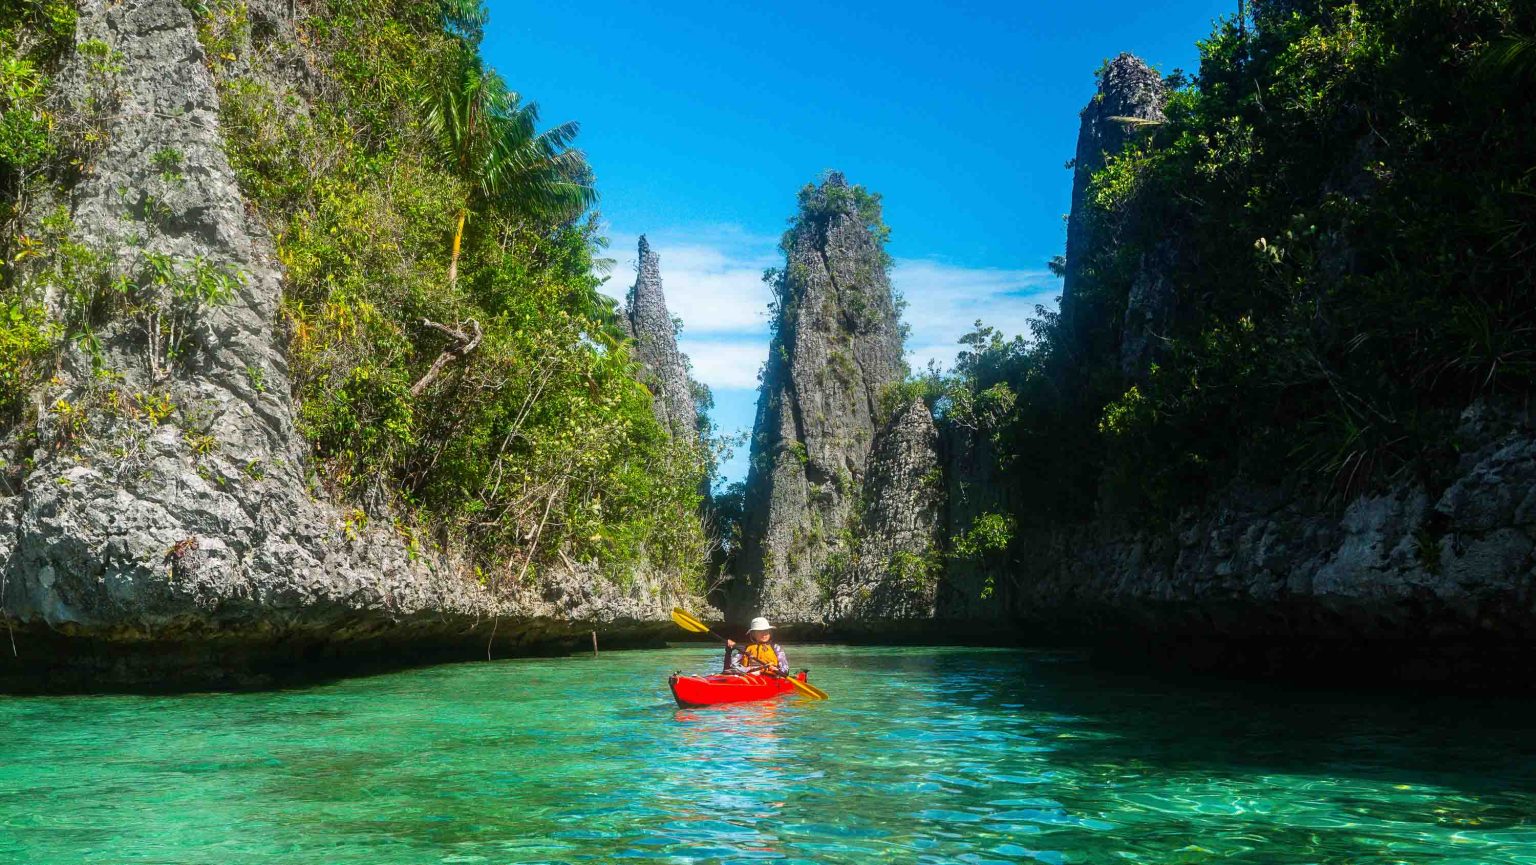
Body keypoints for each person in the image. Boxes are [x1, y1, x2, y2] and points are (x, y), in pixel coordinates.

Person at [723, 616, 789, 677]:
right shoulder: (746, 649)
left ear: (770, 632)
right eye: (760, 631)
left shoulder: (776, 648)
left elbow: (785, 670)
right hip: (750, 676)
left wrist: (776, 670)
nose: (764, 634)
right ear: (753, 634)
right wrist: (728, 650)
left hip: (771, 676)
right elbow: (729, 668)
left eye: (766, 631)